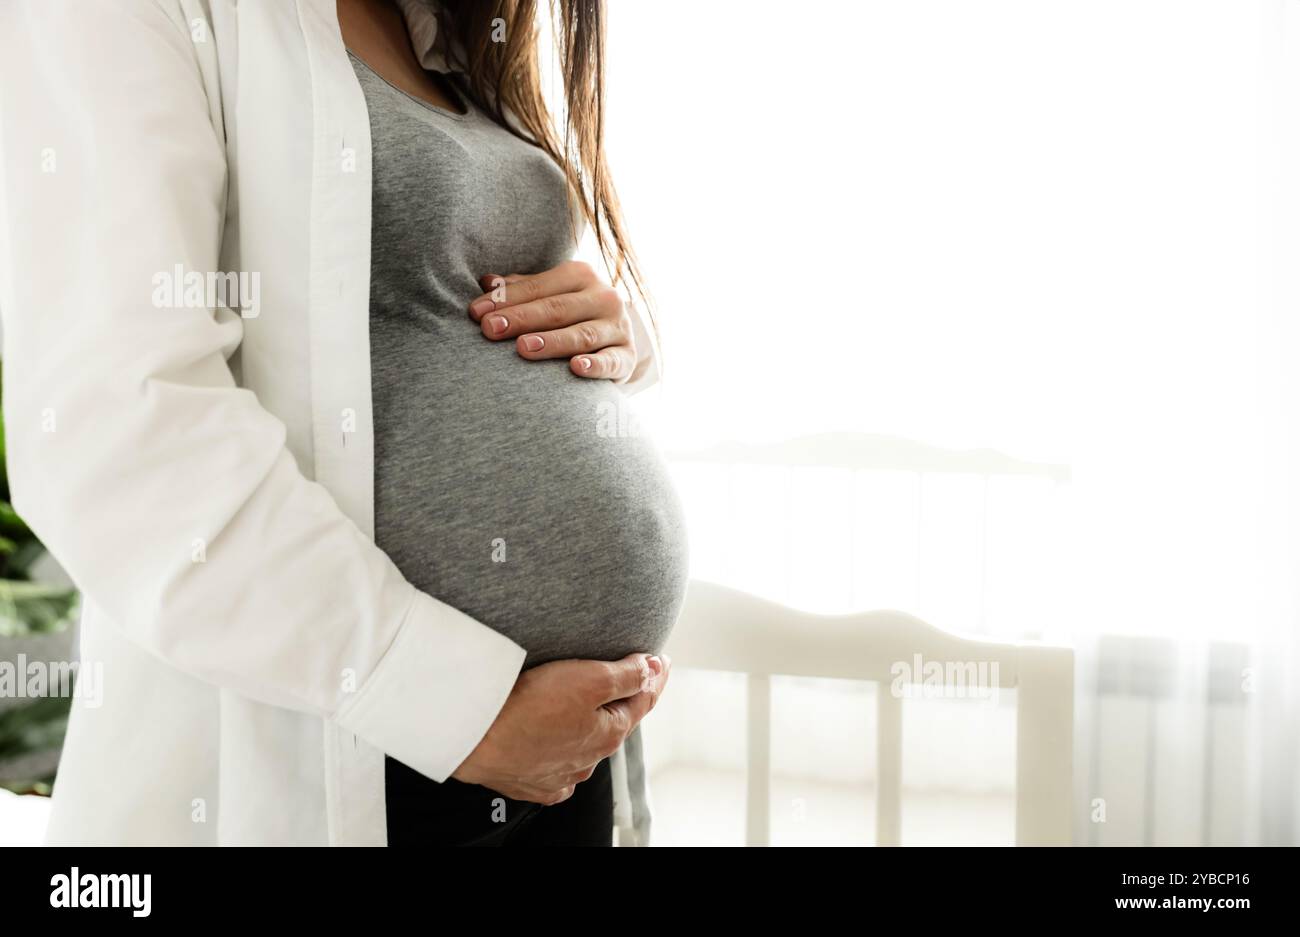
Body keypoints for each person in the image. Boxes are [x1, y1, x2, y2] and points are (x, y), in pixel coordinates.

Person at [0, 0, 688, 846]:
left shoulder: (434, 21)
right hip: (364, 750)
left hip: (560, 753)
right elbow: (116, 423)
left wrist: (610, 333)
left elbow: (419, 297)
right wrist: (456, 706)